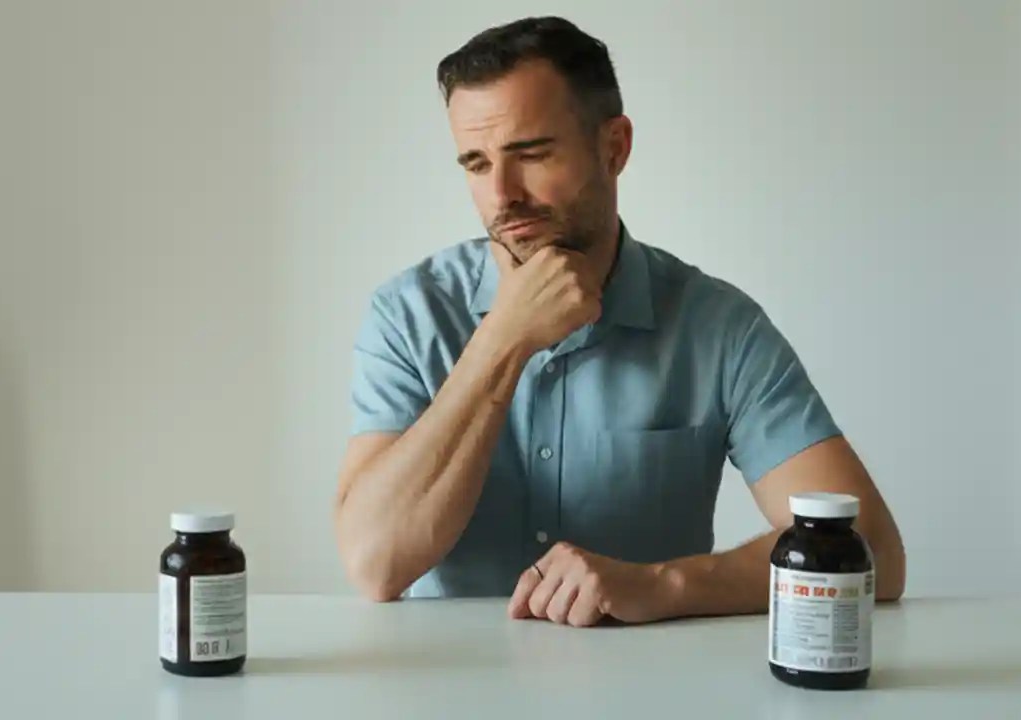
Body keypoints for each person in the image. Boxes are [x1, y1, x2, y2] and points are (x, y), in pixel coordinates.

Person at [335, 16, 905, 626]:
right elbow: (375, 564)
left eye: (530, 154)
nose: (501, 195)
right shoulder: (407, 316)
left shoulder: (718, 327)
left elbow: (870, 552)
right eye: (476, 164)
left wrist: (664, 584)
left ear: (614, 147)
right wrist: (504, 338)